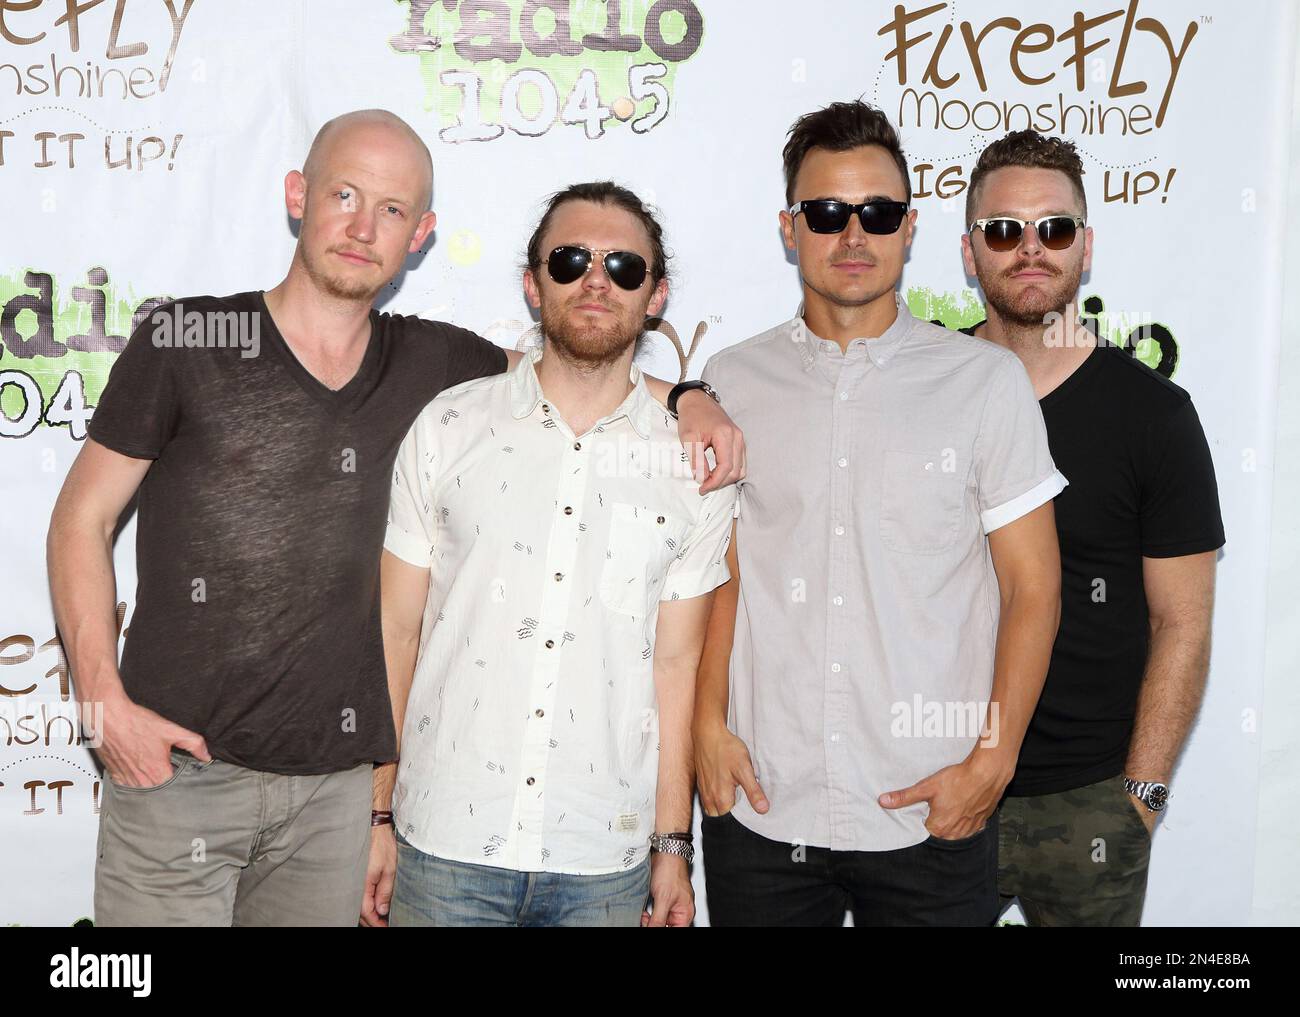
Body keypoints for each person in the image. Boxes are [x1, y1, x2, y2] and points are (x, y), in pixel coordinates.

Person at [47, 109, 742, 927]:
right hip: (176, 776)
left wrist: (696, 400)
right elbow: (78, 523)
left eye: (392, 209)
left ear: (421, 235)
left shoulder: (437, 366)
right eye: (344, 193)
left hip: (334, 803)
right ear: (297, 195)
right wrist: (102, 705)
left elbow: (580, 365)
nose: (361, 225)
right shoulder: (187, 337)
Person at [693, 100, 1065, 926]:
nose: (853, 234)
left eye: (878, 212)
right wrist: (704, 729)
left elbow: (1033, 587)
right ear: (790, 229)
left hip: (933, 812)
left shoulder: (983, 382)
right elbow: (717, 572)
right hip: (763, 806)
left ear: (910, 227)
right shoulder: (731, 378)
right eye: (827, 213)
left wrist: (993, 760)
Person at [372, 182, 736, 927]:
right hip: (442, 844)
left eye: (624, 267)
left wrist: (674, 846)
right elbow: (395, 635)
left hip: (604, 855)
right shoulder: (448, 426)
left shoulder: (693, 461)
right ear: (534, 286)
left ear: (655, 294)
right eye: (570, 260)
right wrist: (375, 816)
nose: (596, 280)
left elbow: (676, 668)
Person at [957, 130, 1224, 926]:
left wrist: (1138, 797)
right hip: (933, 787)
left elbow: (1183, 621)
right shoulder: (926, 393)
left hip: (1089, 803)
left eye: (1055, 229)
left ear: (1087, 247)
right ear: (970, 253)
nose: (1030, 249)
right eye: (1003, 230)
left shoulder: (1155, 416)